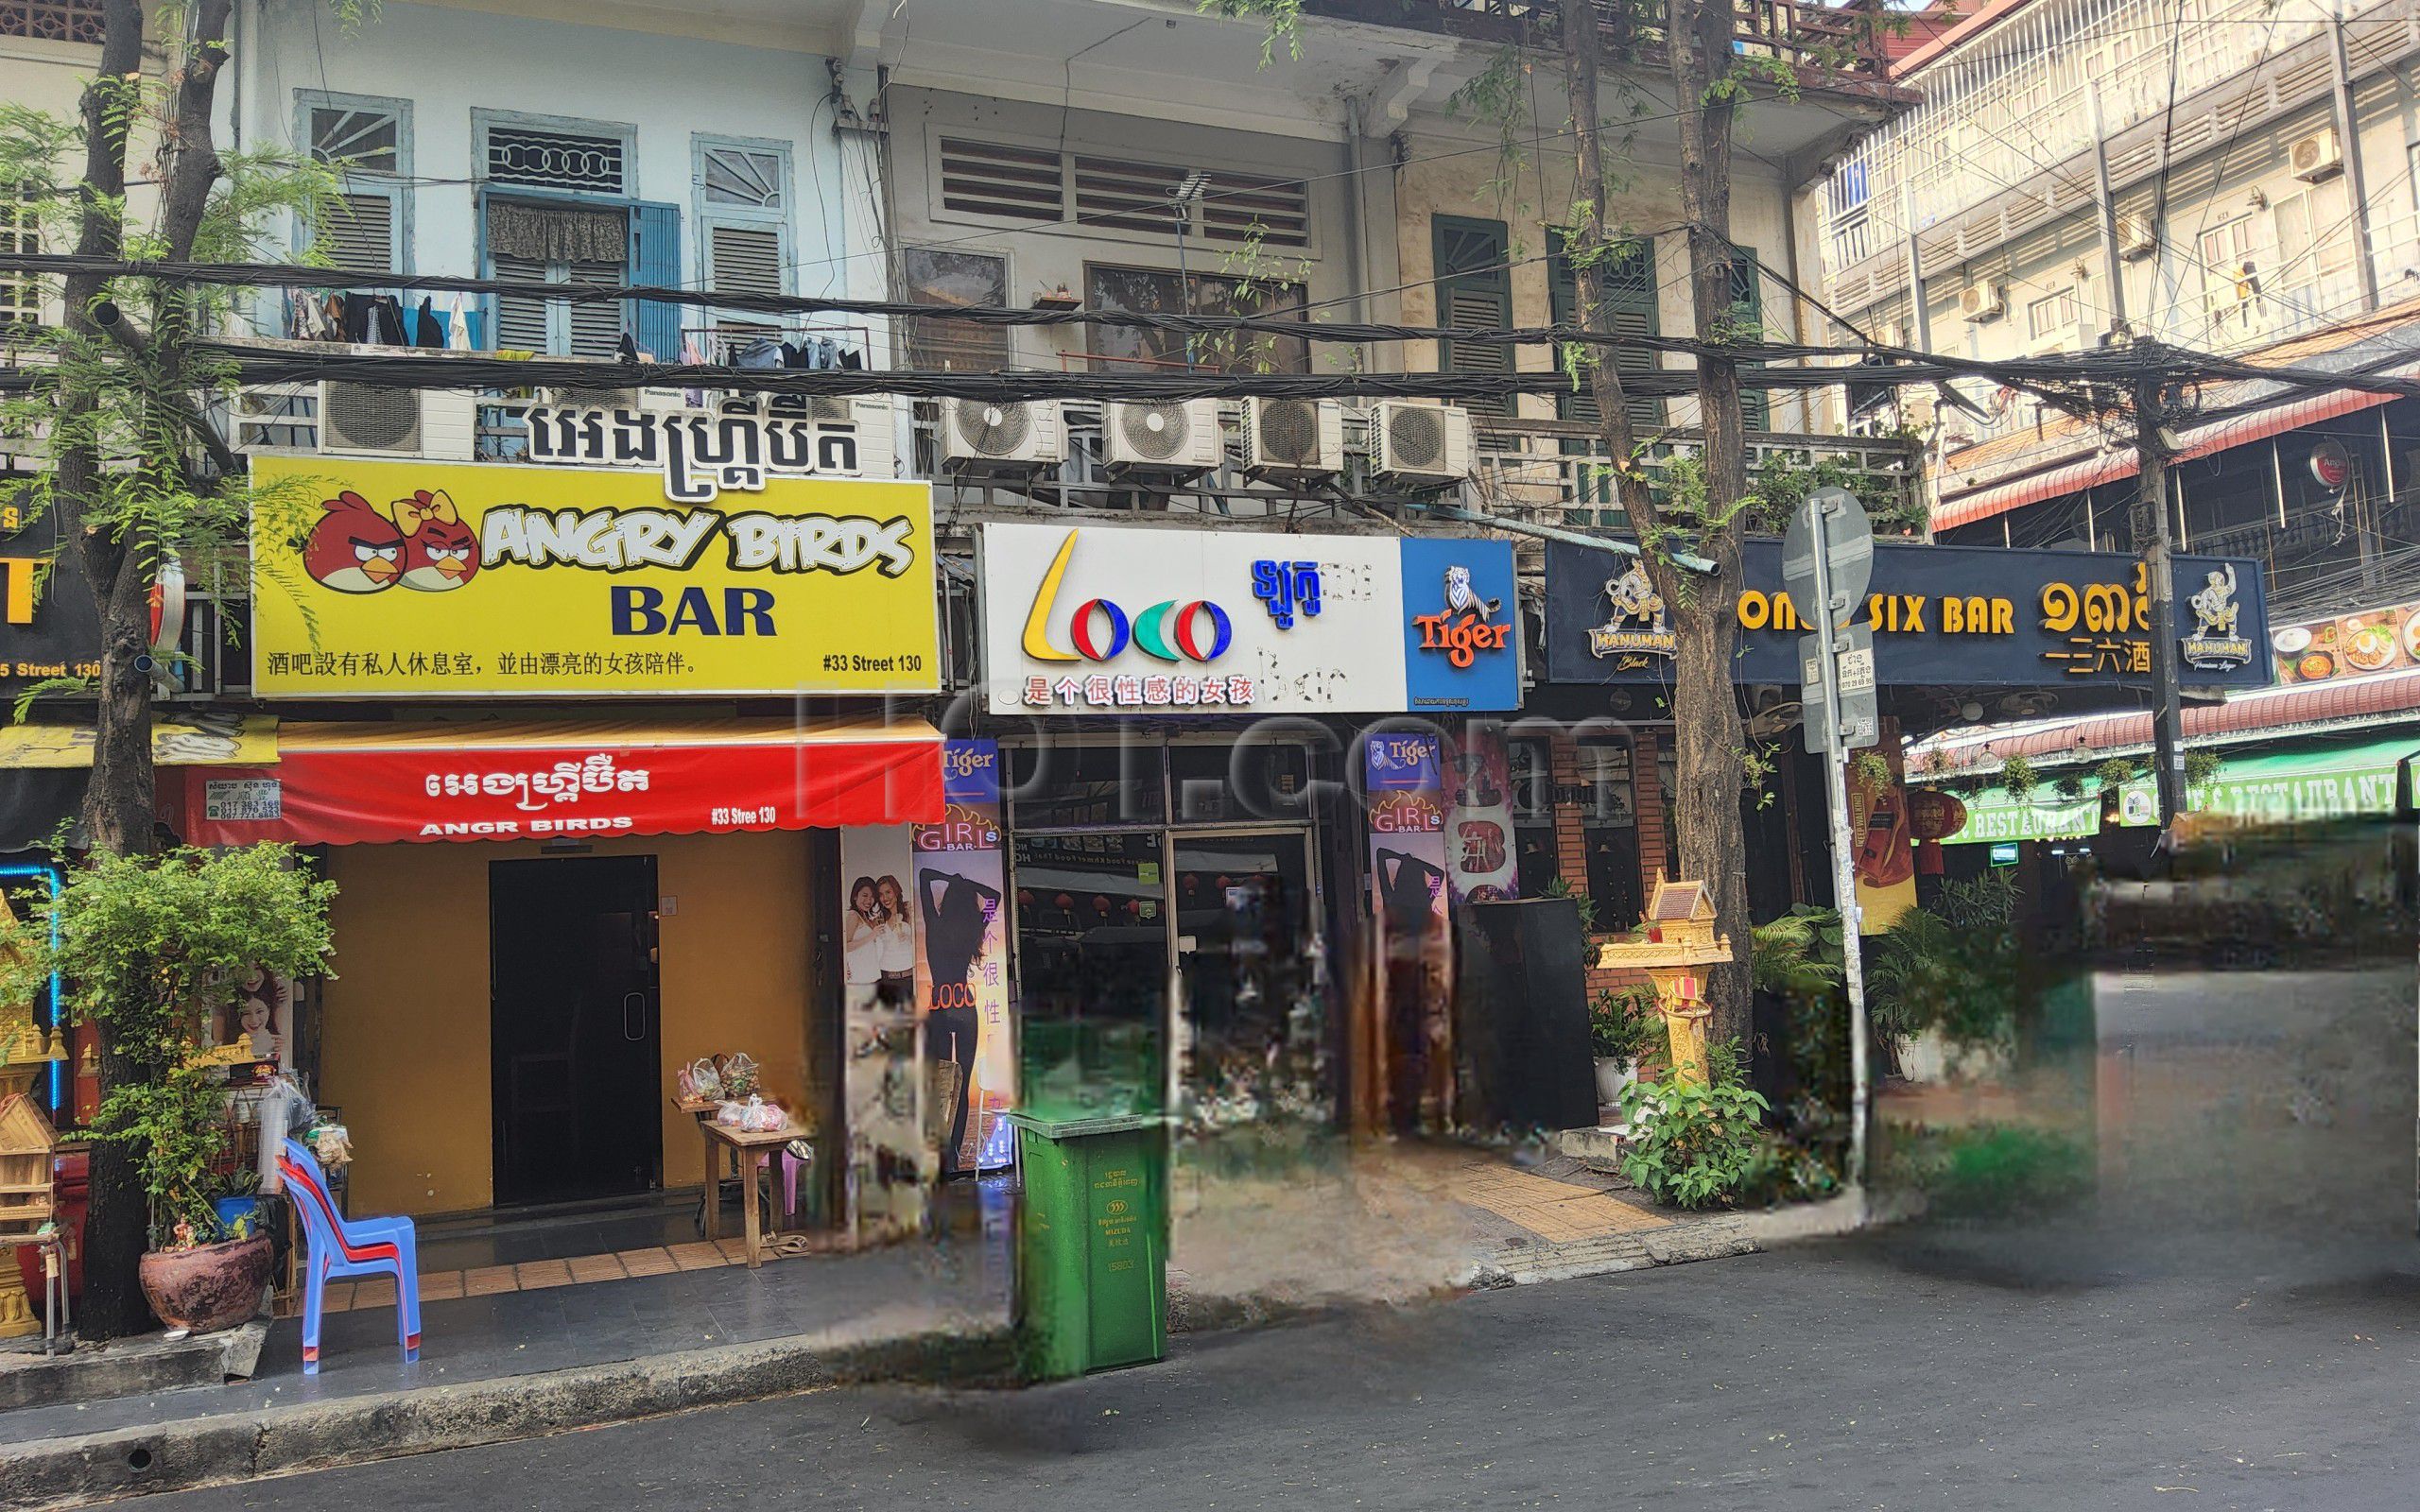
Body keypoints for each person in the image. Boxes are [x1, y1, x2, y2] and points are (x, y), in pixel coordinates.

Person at [919, 867, 1002, 1175]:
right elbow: (993, 896)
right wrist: (968, 884)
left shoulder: (934, 923)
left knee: (942, 1085)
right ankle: (953, 1156)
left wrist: (953, 881)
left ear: (947, 900)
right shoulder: (973, 926)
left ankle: (940, 1155)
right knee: (963, 1085)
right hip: (965, 1008)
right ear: (969, 902)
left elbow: (925, 875)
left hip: (940, 1008)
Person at [873, 875, 916, 1003]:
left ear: (896, 891)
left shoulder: (909, 911)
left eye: (888, 892)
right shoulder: (879, 918)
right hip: (886, 977)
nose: (885, 898)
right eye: (881, 894)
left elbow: (923, 939)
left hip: (908, 978)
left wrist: (910, 938)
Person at [842, 876, 884, 989]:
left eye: (872, 897)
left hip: (870, 977)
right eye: (865, 895)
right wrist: (872, 935)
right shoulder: (853, 916)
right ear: (855, 896)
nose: (869, 901)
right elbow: (844, 946)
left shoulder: (866, 918)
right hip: (859, 980)